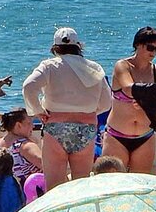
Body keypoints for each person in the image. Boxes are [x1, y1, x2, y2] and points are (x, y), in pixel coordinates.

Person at [22, 27, 112, 189]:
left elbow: (29, 86)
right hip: (86, 128)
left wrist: (38, 111)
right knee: (81, 186)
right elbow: (106, 102)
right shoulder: (94, 68)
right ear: (78, 46)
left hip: (56, 127)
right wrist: (88, 112)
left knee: (55, 188)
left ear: (55, 48)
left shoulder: (49, 66)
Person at [105, 27, 156, 174]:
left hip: (144, 136)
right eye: (150, 47)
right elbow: (128, 88)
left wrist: (147, 101)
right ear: (138, 45)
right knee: (113, 184)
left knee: (140, 183)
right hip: (117, 135)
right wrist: (146, 97)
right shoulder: (122, 66)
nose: (153, 53)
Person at [0, 107, 42, 187]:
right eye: (29, 123)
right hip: (31, 194)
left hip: (7, 192)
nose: (33, 126)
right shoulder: (25, 146)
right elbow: (48, 166)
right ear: (18, 125)